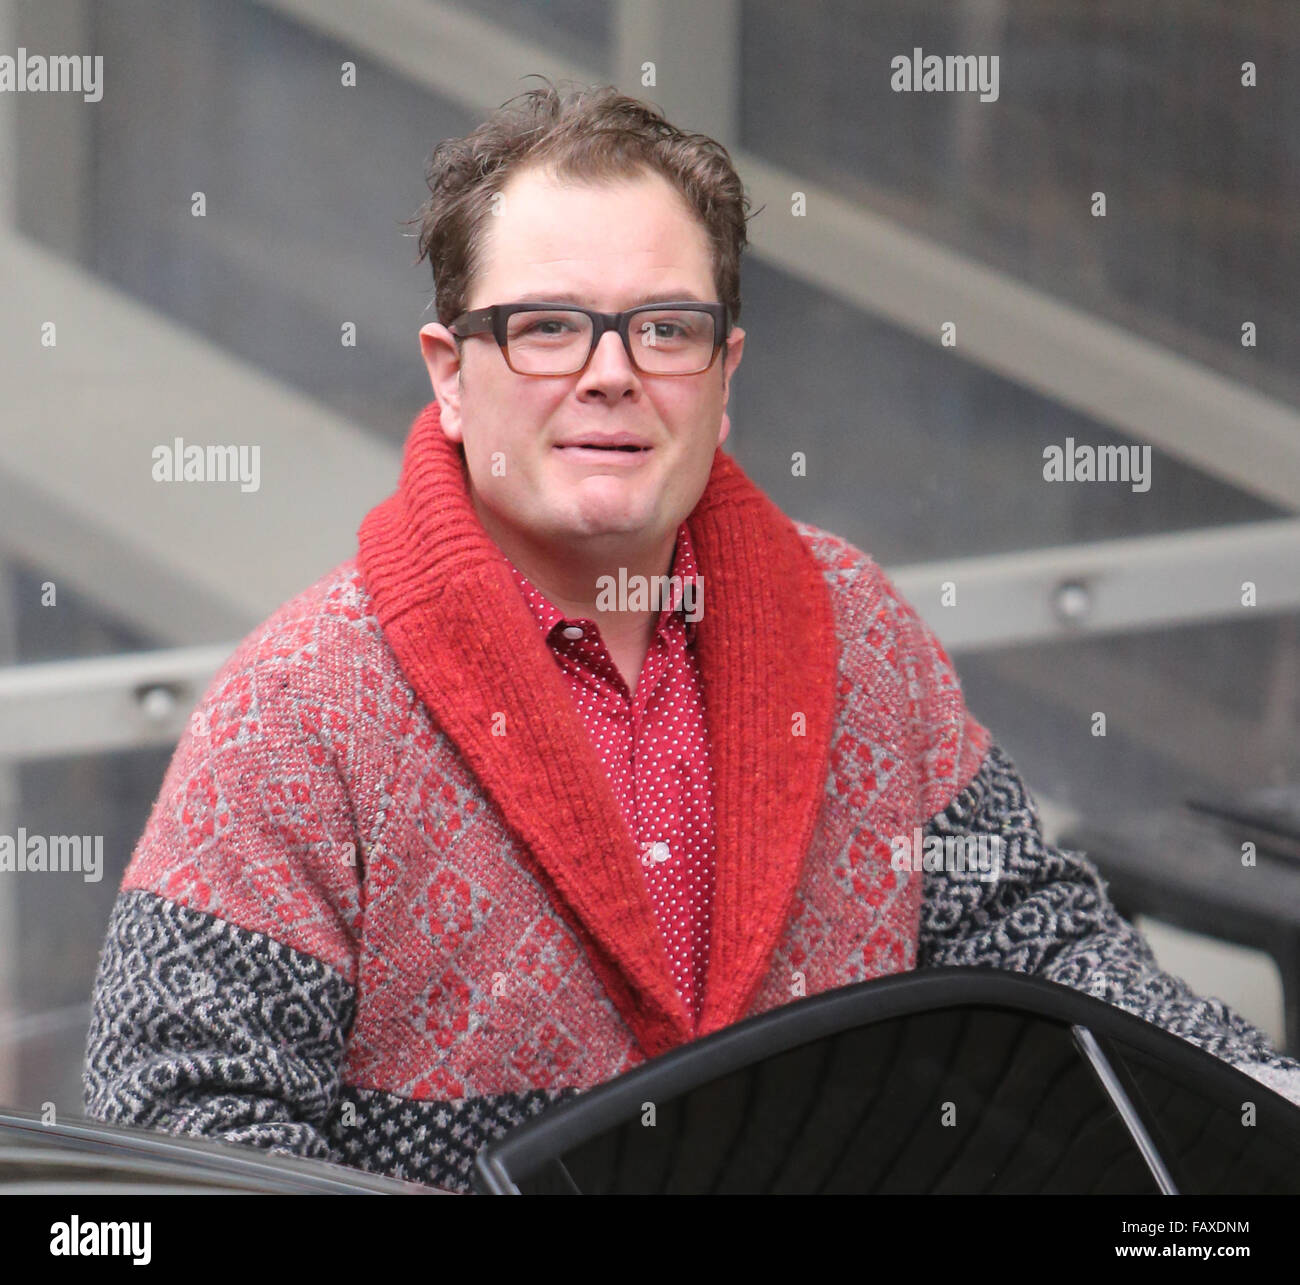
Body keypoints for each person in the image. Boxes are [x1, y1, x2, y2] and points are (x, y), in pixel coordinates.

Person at [83, 80, 1300, 1192]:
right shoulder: (300, 709)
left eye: (664, 328)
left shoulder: (855, 633)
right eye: (546, 327)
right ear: (451, 377)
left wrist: (1264, 1116)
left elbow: (1031, 942)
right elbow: (181, 1137)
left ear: (725, 375)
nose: (611, 374)